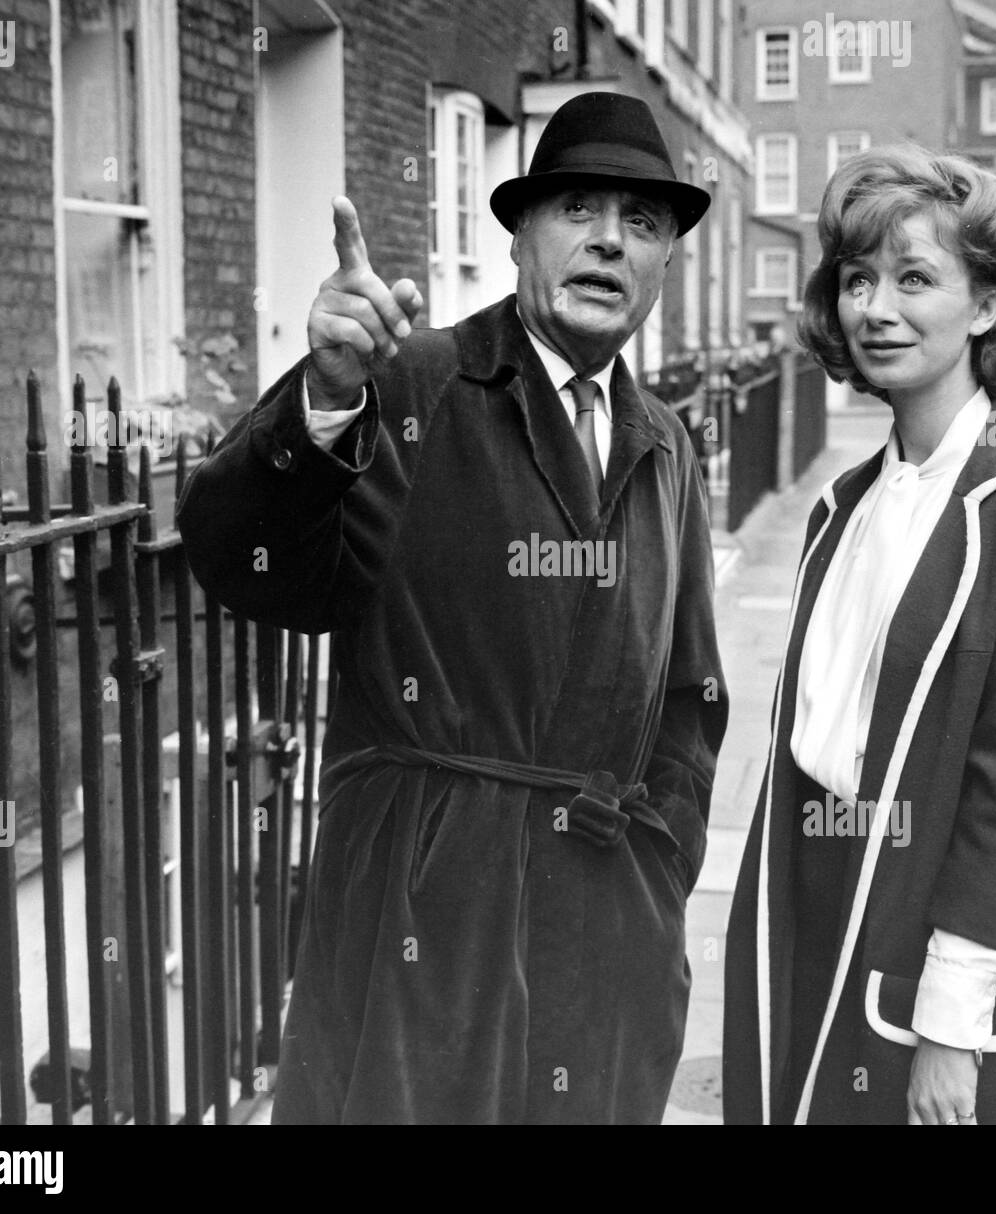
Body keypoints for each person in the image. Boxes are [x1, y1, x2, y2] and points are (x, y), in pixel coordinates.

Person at [177, 92, 727, 1124]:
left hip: (601, 933)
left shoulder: (664, 442)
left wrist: (658, 866)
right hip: (425, 919)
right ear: (520, 233)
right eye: (577, 208)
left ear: (664, 262)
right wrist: (327, 398)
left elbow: (691, 695)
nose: (610, 239)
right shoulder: (419, 384)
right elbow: (249, 564)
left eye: (643, 222)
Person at [722, 146, 996, 1125]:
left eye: (913, 278)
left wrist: (950, 1014)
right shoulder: (843, 505)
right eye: (857, 279)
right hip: (814, 890)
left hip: (930, 924)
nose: (875, 308)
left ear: (984, 305)